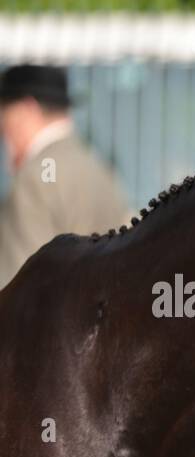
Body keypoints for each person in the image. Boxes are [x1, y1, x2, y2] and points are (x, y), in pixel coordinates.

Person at [0, 64, 128, 289]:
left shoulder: (34, 178)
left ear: (26, 110)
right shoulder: (98, 167)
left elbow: (22, 291)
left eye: (4, 116)